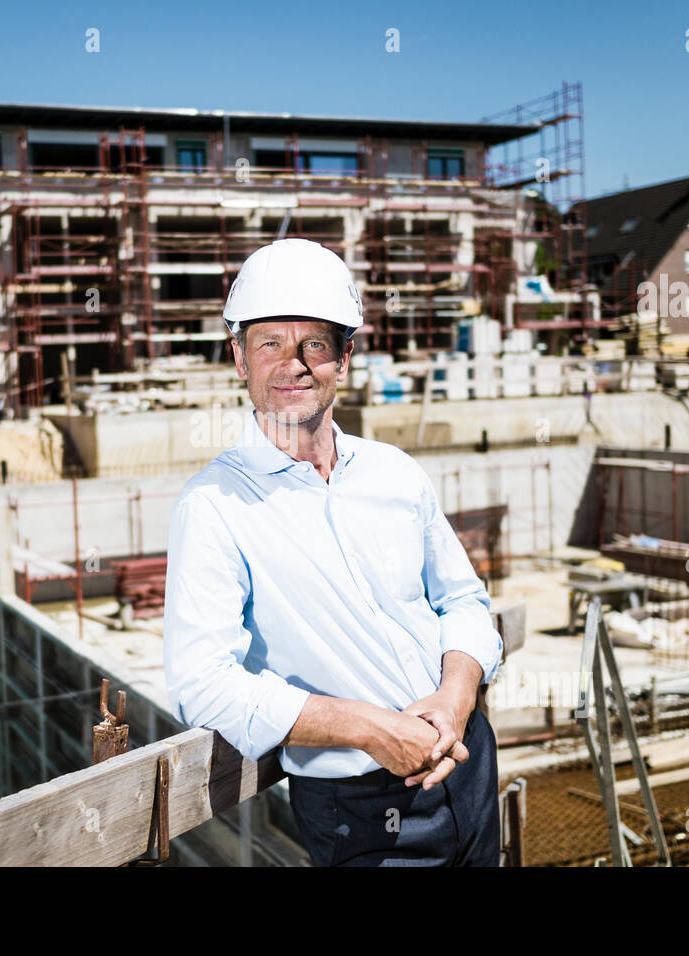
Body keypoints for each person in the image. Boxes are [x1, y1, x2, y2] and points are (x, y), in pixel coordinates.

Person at [162, 238, 503, 866]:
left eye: (314, 343)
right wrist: (369, 729)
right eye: (270, 344)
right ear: (239, 357)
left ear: (343, 358)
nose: (294, 364)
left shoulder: (394, 473)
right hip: (361, 811)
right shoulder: (213, 506)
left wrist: (457, 697)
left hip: (470, 762)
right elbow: (202, 684)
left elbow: (463, 600)